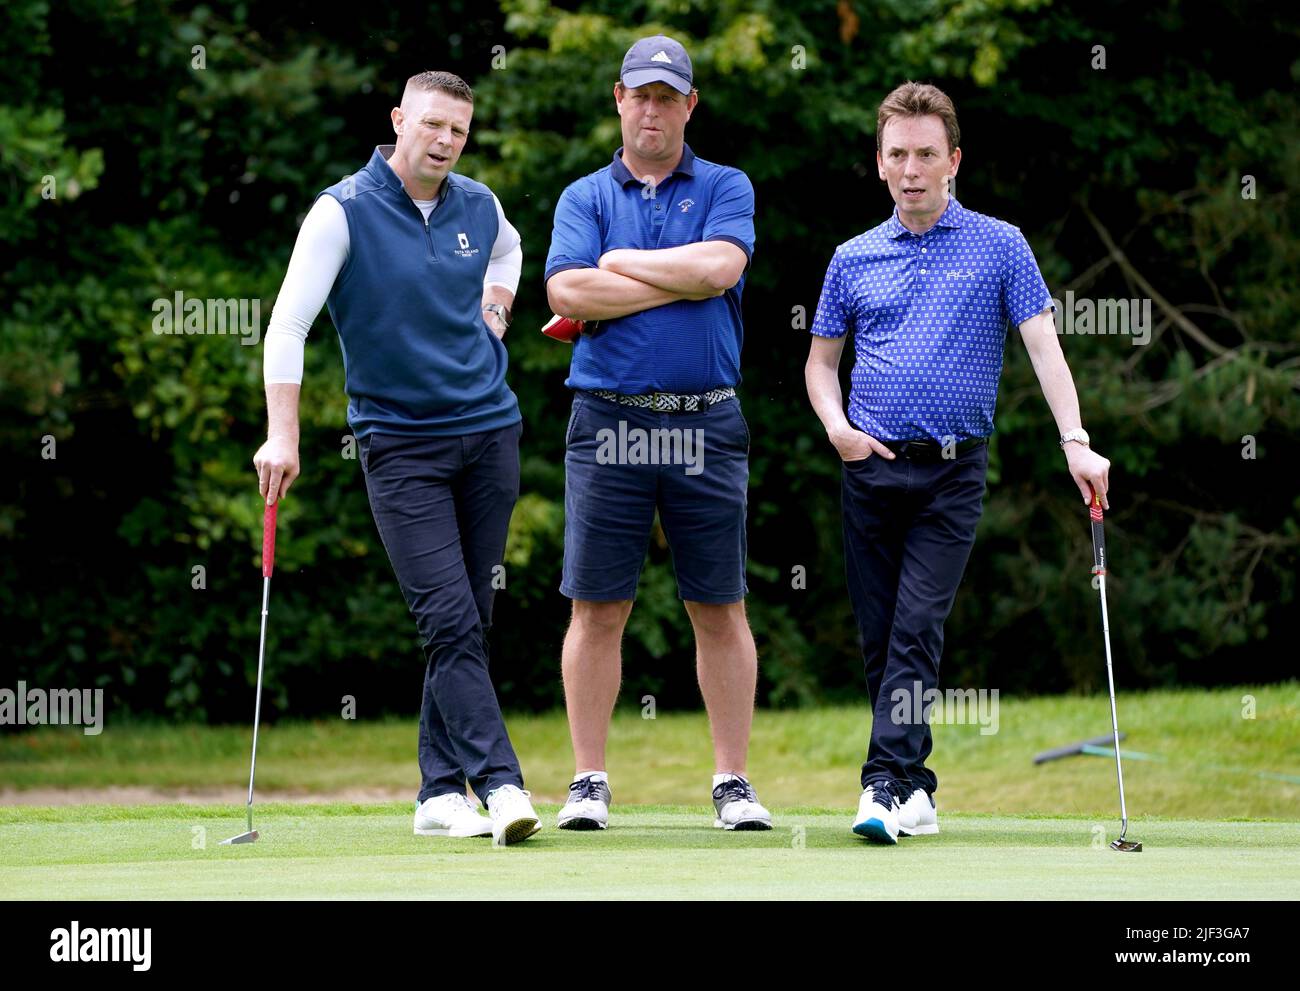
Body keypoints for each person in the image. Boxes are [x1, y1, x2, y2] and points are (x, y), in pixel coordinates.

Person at [805, 81, 1112, 844]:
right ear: (879, 163)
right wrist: (838, 429)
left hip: (952, 471)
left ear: (954, 161)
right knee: (880, 636)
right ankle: (916, 788)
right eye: (899, 155)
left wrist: (1075, 439)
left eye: (927, 155)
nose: (912, 169)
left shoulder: (1000, 244)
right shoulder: (852, 257)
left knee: (915, 624)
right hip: (869, 465)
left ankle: (880, 784)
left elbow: (1044, 345)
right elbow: (820, 363)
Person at [252, 70, 541, 846]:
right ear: (398, 121)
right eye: (433, 125)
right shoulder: (340, 211)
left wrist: (497, 306)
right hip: (399, 446)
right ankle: (502, 782)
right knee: (446, 615)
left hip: (489, 435)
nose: (445, 141)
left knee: (470, 617)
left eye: (458, 130)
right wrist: (285, 433)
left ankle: (439, 794)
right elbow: (286, 327)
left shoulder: (479, 205)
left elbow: (509, 253)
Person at [544, 35, 771, 831]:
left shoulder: (725, 183)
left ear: (689, 105)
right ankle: (588, 780)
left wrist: (621, 269)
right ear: (618, 98)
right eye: (640, 94)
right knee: (598, 606)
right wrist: (664, 277)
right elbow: (568, 286)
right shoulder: (584, 195)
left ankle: (733, 782)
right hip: (607, 419)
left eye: (667, 96)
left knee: (719, 604)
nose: (652, 108)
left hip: (704, 418)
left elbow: (720, 271)